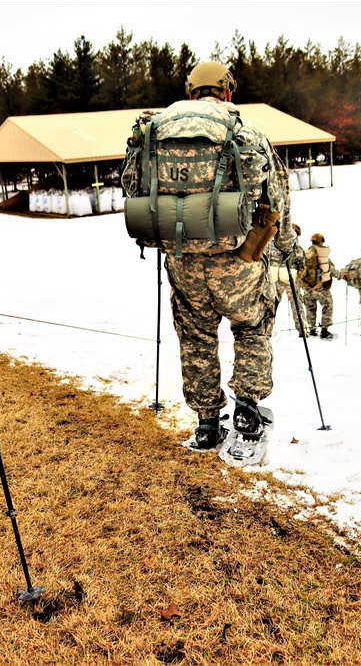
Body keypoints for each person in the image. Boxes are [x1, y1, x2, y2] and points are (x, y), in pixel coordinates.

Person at [121, 61, 294, 449]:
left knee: (196, 338)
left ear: (190, 91)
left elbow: (132, 185)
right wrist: (285, 245)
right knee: (251, 327)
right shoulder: (244, 131)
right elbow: (276, 196)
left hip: (183, 259)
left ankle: (207, 424)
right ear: (227, 90)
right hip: (239, 260)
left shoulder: (155, 129)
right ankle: (247, 410)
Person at [266, 223, 307, 338]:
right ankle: (302, 330)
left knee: (271, 304)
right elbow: (301, 264)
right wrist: (299, 275)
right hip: (290, 279)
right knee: (297, 305)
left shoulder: (272, 244)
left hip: (274, 278)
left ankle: (267, 330)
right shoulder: (297, 247)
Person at [301, 233, 342, 339]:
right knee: (328, 304)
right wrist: (342, 276)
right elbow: (331, 269)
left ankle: (312, 330)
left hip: (306, 288)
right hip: (319, 287)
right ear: (321, 242)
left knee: (310, 308)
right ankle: (324, 330)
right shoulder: (322, 255)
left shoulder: (305, 254)